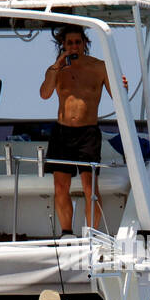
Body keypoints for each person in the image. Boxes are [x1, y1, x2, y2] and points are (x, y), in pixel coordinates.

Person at [38, 24, 126, 235]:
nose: (74, 47)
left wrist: (123, 87)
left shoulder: (99, 67)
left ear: (85, 43)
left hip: (87, 132)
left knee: (90, 188)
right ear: (63, 45)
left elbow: (118, 97)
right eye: (70, 43)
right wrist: (57, 65)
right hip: (62, 132)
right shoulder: (56, 69)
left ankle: (91, 234)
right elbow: (44, 94)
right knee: (60, 187)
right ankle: (66, 232)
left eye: (78, 42)